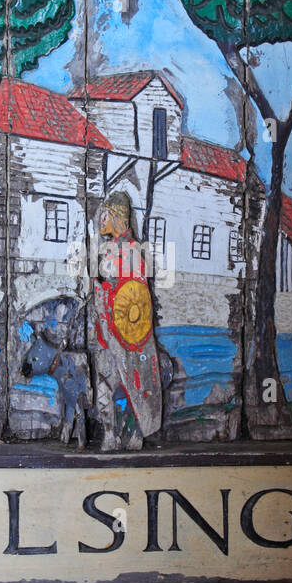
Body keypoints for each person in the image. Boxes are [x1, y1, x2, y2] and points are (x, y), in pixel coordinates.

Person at [91, 190, 162, 449]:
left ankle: (135, 434)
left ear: (119, 217)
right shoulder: (104, 251)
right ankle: (109, 433)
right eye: (101, 214)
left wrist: (108, 289)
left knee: (134, 387)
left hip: (128, 337)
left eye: (106, 214)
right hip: (105, 332)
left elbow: (136, 293)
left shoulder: (133, 251)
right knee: (103, 385)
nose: (101, 219)